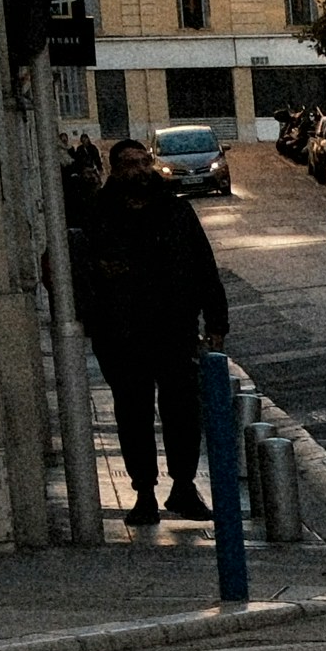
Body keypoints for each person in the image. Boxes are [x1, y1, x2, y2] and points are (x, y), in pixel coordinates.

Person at [75, 138, 228, 522]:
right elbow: (77, 271)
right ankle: (143, 491)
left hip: (174, 327)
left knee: (182, 409)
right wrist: (99, 283)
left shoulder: (176, 211)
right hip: (121, 332)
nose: (141, 170)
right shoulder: (97, 214)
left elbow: (203, 266)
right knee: (133, 411)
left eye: (145, 162)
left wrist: (216, 321)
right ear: (115, 169)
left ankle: (183, 486)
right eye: (131, 164)